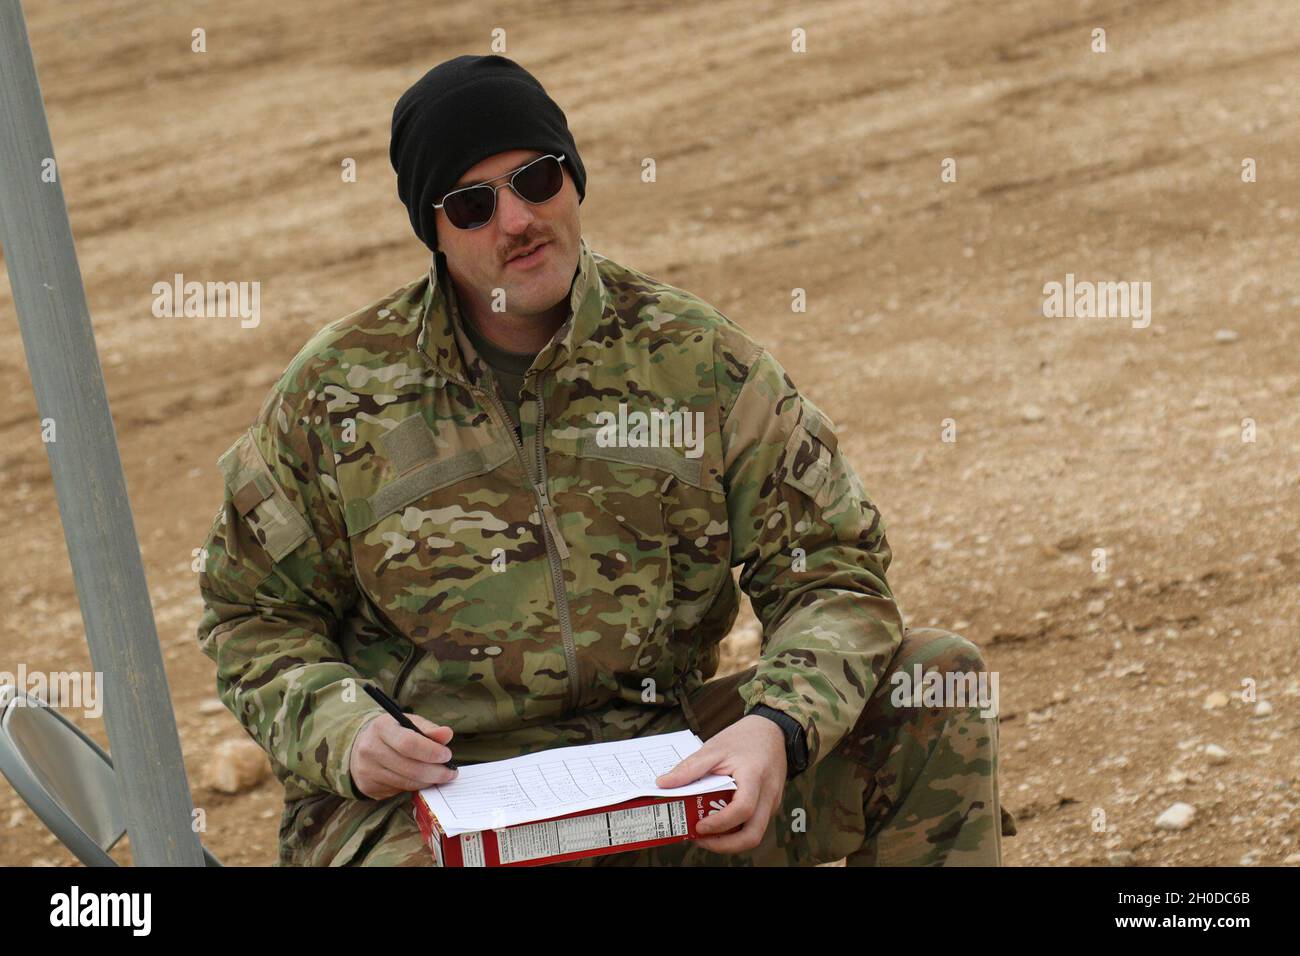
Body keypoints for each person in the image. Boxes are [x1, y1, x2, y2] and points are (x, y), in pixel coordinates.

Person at [195, 54, 1013, 866]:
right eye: (474, 204)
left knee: (934, 680)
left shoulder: (694, 358)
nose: (517, 220)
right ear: (434, 232)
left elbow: (832, 571)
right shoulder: (338, 393)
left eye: (538, 179)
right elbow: (254, 617)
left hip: (665, 765)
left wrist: (777, 728)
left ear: (573, 180)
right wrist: (347, 729)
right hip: (436, 804)